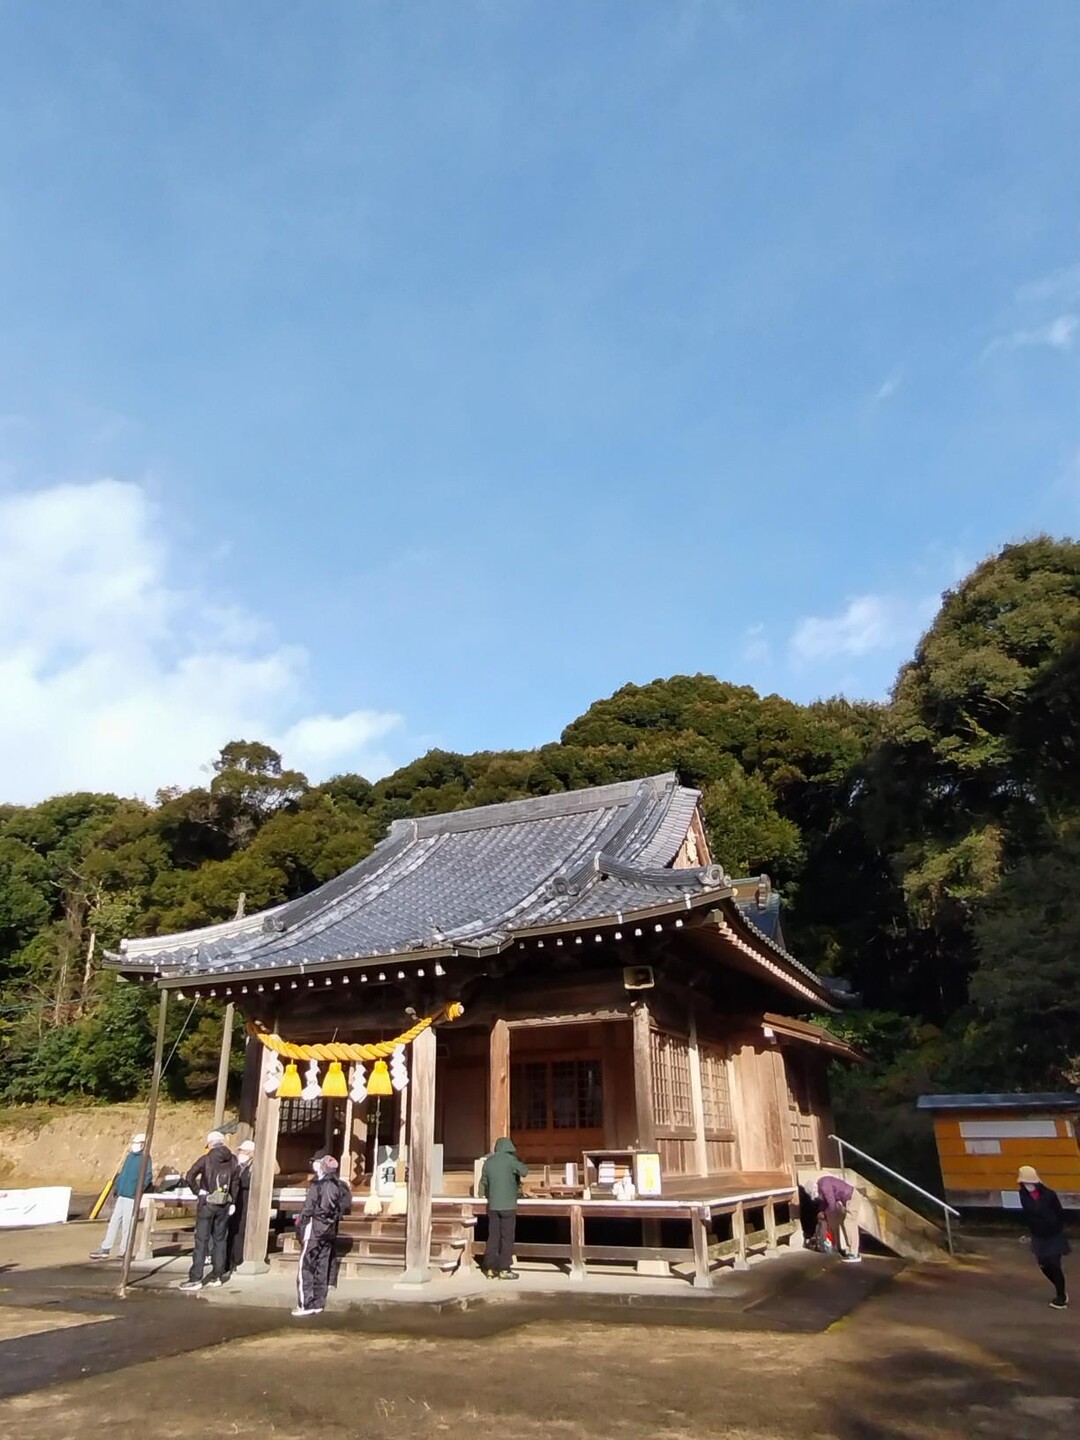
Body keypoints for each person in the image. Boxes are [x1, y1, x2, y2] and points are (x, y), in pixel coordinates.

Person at [179, 1130, 240, 1291]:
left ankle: (196, 1278)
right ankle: (217, 1276)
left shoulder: (206, 1159)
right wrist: (232, 1200)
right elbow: (235, 1182)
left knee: (201, 1241)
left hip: (207, 1204)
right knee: (220, 1241)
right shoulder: (233, 1160)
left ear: (210, 1144)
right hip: (225, 1205)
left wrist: (198, 1191)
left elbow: (190, 1175)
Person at [293, 1153, 351, 1317]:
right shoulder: (339, 1186)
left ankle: (306, 1304)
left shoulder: (317, 1185)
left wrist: (301, 1221)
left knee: (306, 1266)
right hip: (329, 1228)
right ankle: (319, 1302)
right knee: (322, 1265)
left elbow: (310, 1206)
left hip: (315, 1228)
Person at [89, 1132, 153, 1261]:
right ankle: (105, 1248)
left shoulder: (145, 1158)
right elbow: (123, 1174)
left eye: (137, 1143)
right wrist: (117, 1187)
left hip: (131, 1196)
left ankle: (125, 1250)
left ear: (142, 1145)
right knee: (114, 1222)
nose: (134, 1146)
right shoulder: (129, 1157)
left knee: (127, 1225)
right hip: (122, 1194)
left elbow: (147, 1176)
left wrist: (137, 1191)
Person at [1018, 1164, 1070, 1310]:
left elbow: (1059, 1212)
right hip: (1038, 1235)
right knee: (1043, 1265)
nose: (1028, 1186)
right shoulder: (1023, 1195)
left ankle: (1060, 1296)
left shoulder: (1049, 1195)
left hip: (1053, 1234)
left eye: (1030, 1183)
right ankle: (1059, 1288)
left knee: (1054, 1264)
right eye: (1025, 1183)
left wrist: (1056, 1225)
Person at [479, 1136, 529, 1280]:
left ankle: (489, 1268)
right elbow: (524, 1171)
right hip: (508, 1205)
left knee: (493, 1236)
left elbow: (484, 1182)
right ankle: (504, 1269)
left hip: (493, 1205)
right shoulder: (511, 1160)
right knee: (506, 1237)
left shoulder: (489, 1162)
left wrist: (483, 1195)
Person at [816, 1173, 864, 1264]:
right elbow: (826, 1201)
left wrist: (828, 1216)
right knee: (845, 1222)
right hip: (849, 1198)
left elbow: (831, 1203)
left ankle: (854, 1253)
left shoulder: (823, 1185)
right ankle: (850, 1250)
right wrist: (822, 1211)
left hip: (852, 1198)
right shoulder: (823, 1183)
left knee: (849, 1223)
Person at [227, 1138, 256, 1272]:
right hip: (234, 1200)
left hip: (246, 1201)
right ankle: (229, 1259)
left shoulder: (254, 1168)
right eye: (241, 1151)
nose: (242, 1153)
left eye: (245, 1151)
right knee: (231, 1229)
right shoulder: (237, 1165)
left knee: (241, 1230)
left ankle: (237, 1259)